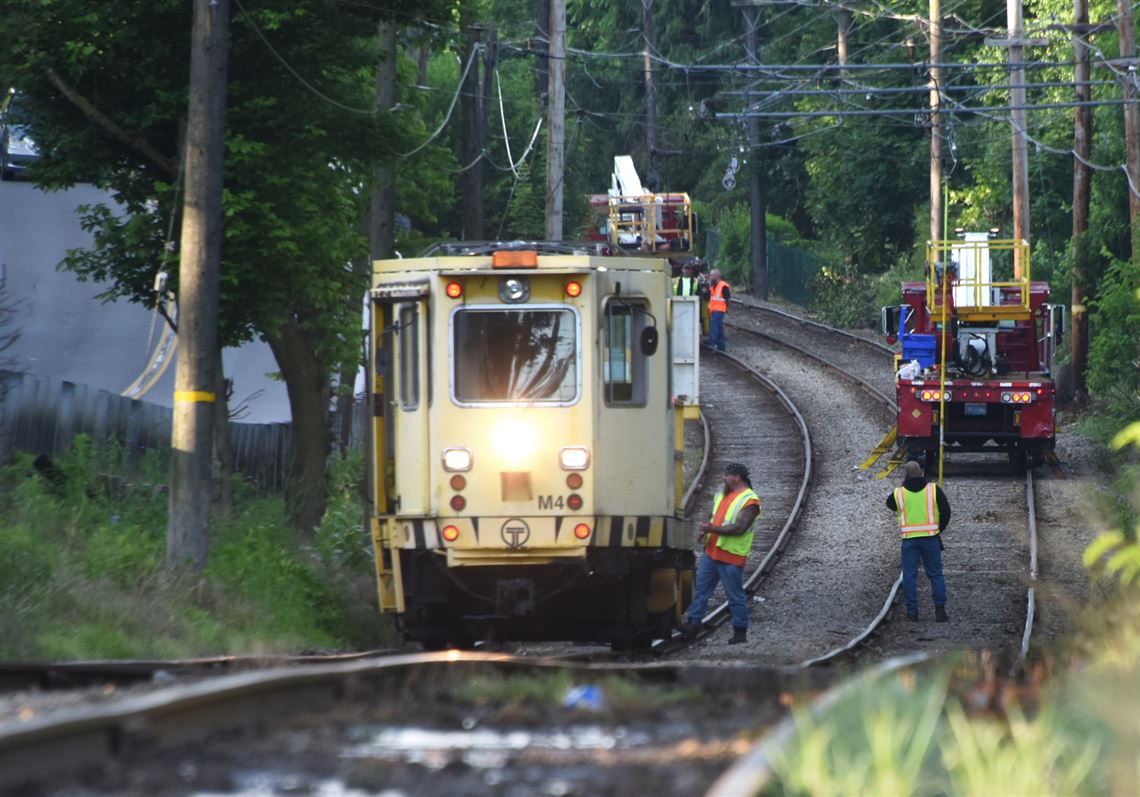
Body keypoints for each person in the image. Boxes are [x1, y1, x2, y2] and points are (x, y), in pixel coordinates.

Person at [680, 462, 761, 644]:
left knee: (734, 596)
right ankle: (693, 626)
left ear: (736, 477)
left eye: (726, 475)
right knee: (701, 591)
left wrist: (712, 529)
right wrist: (706, 528)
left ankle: (740, 632)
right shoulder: (722, 494)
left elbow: (740, 527)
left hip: (731, 557)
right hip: (712, 553)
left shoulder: (750, 501)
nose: (724, 478)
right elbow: (712, 516)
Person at [886, 460, 951, 622]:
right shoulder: (933, 490)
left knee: (909, 576)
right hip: (931, 539)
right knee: (936, 574)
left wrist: (903, 485)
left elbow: (890, 505)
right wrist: (937, 529)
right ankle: (940, 611)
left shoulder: (899, 493)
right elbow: (946, 511)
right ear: (921, 473)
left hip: (909, 541)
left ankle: (912, 613)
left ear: (906, 476)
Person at [707, 269, 730, 351]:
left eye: (711, 275)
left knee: (714, 326)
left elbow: (727, 298)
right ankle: (721, 345)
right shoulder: (713, 286)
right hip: (714, 309)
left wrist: (727, 308)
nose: (710, 277)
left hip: (719, 309)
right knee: (719, 327)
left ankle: (712, 343)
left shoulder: (723, 286)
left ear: (716, 276)